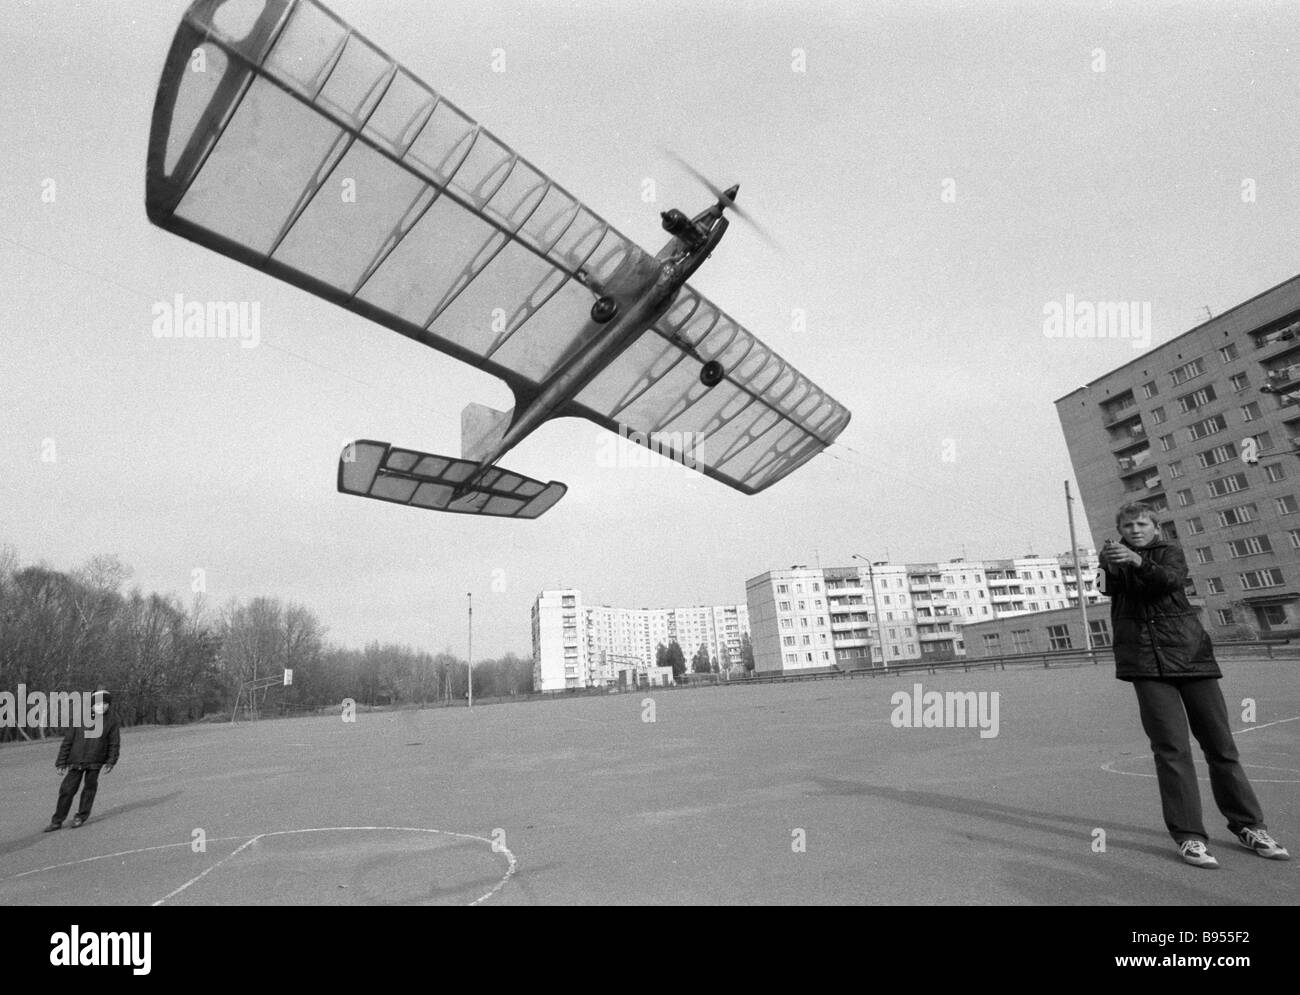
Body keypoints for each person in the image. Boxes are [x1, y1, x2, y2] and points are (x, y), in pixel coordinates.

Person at [1100, 501, 1289, 868]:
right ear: (1120, 531)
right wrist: (1109, 565)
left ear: (1155, 526)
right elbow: (1108, 591)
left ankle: (1249, 826)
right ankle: (1189, 836)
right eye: (1128, 526)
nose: (1135, 530)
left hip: (1191, 657)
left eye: (1141, 524)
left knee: (1220, 746)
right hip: (1146, 664)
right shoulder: (1115, 559)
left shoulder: (1171, 552)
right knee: (1171, 749)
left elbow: (1168, 582)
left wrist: (1137, 561)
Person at [44, 690, 120, 832]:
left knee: (89, 790)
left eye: (105, 704)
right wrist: (61, 762)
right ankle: (57, 820)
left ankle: (81, 816)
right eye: (98, 703)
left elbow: (114, 743)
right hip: (75, 761)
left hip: (95, 761)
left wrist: (111, 761)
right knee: (67, 790)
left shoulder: (112, 720)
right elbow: (67, 741)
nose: (102, 706)